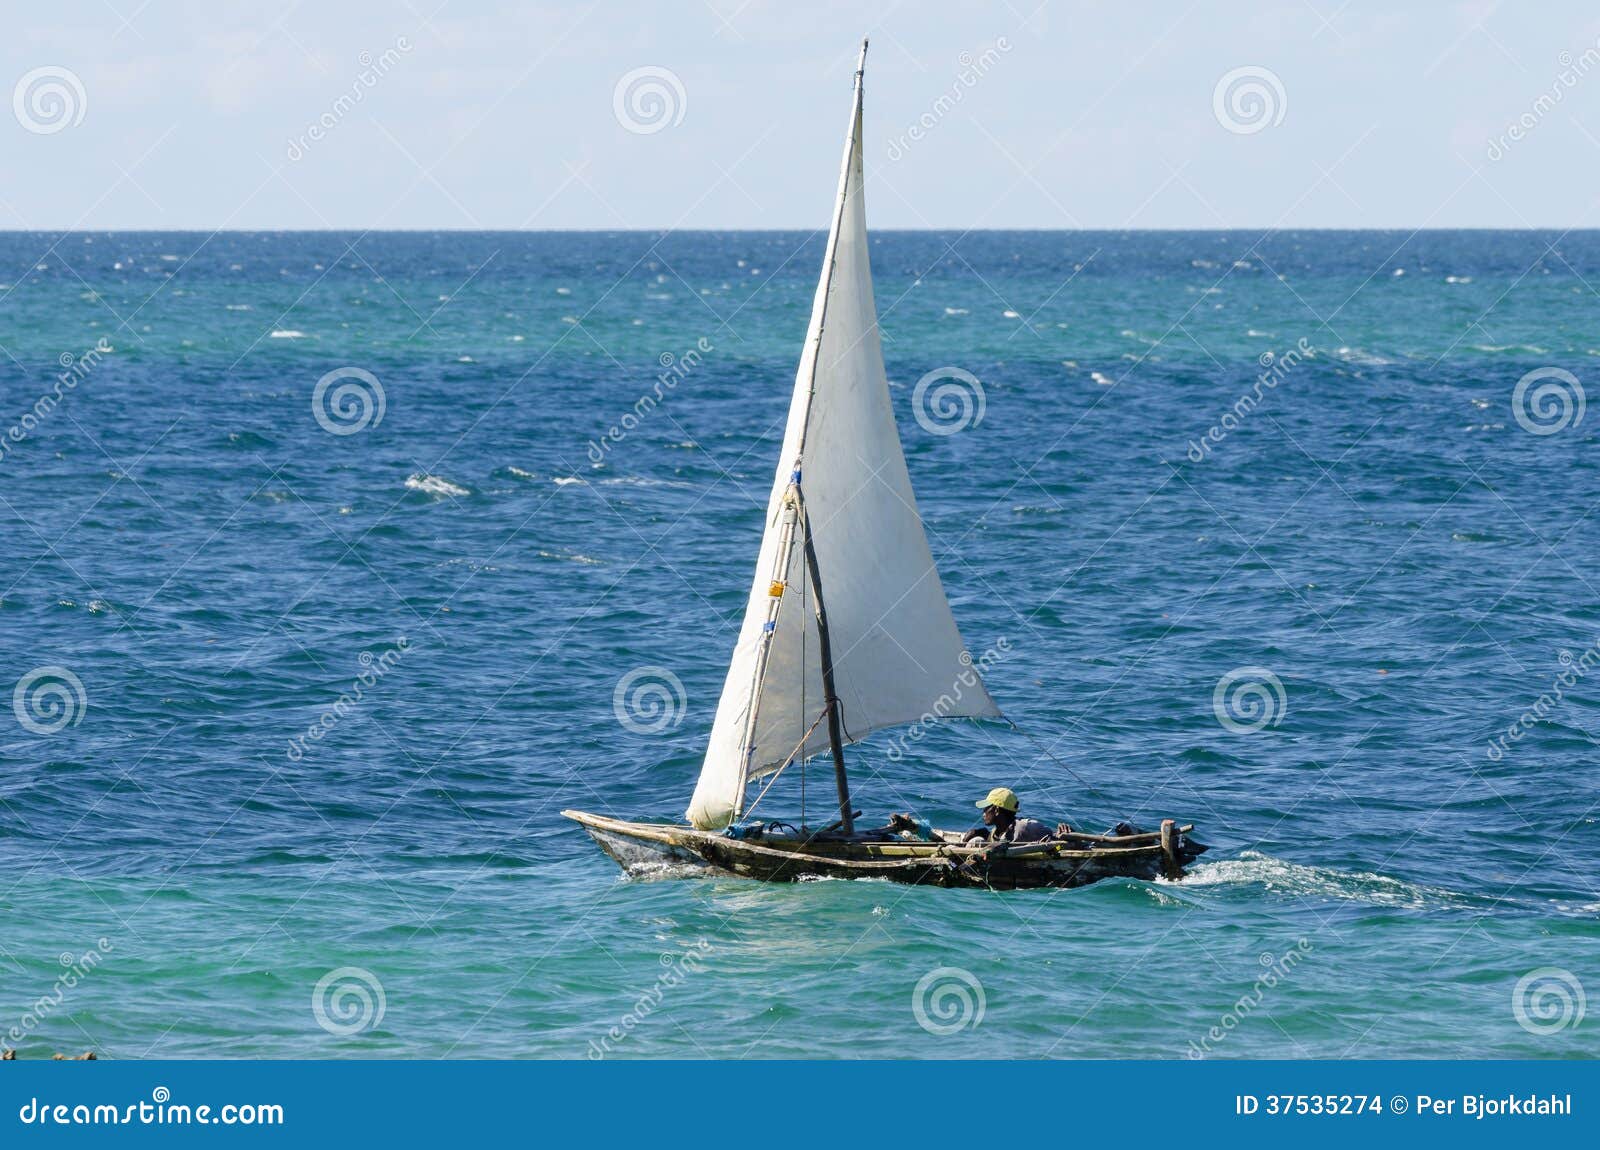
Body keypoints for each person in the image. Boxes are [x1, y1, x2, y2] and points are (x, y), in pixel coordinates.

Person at [961, 787, 1053, 846]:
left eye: (986, 808)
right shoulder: (997, 831)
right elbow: (1001, 839)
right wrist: (983, 834)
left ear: (996, 810)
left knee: (976, 842)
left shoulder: (1023, 828)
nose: (983, 812)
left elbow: (1051, 836)